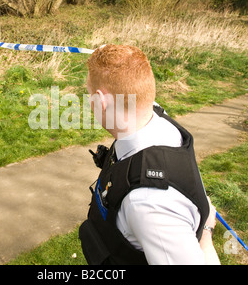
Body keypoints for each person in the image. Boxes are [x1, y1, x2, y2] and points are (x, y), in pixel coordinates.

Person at [79, 44, 220, 265]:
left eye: (89, 96)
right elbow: (129, 77)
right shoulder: (151, 113)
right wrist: (112, 57)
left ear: (101, 101)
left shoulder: (149, 204)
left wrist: (206, 233)